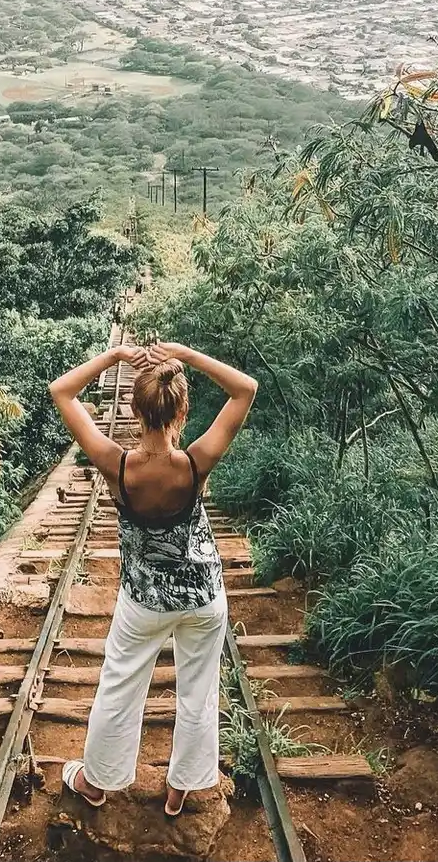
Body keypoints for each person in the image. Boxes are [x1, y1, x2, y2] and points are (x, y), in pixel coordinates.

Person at [48, 340, 258, 816]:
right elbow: (245, 389)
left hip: (144, 600)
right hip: (204, 597)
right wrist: (187, 354)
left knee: (119, 686)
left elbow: (62, 392)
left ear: (133, 408)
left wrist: (116, 356)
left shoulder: (115, 463)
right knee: (198, 690)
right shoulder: (195, 461)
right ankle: (180, 788)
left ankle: (98, 783)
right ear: (182, 411)